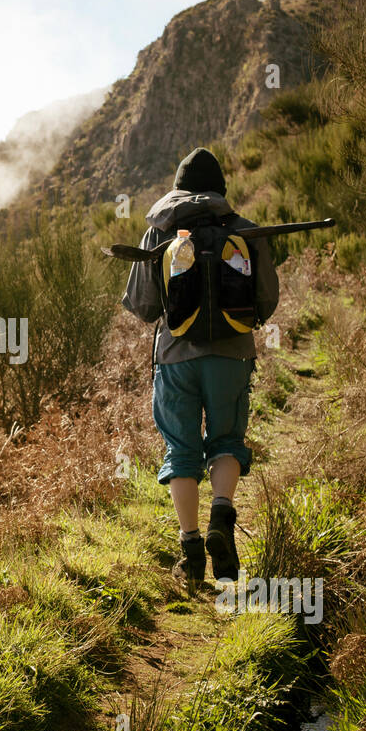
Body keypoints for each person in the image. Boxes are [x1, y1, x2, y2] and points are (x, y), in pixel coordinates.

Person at [121, 147, 279, 588]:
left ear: (177, 190)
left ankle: (190, 553)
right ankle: (220, 522)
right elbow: (266, 299)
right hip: (231, 355)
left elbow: (143, 306)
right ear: (220, 190)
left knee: (182, 450)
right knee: (227, 440)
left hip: (176, 358)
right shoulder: (246, 231)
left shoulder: (159, 233)